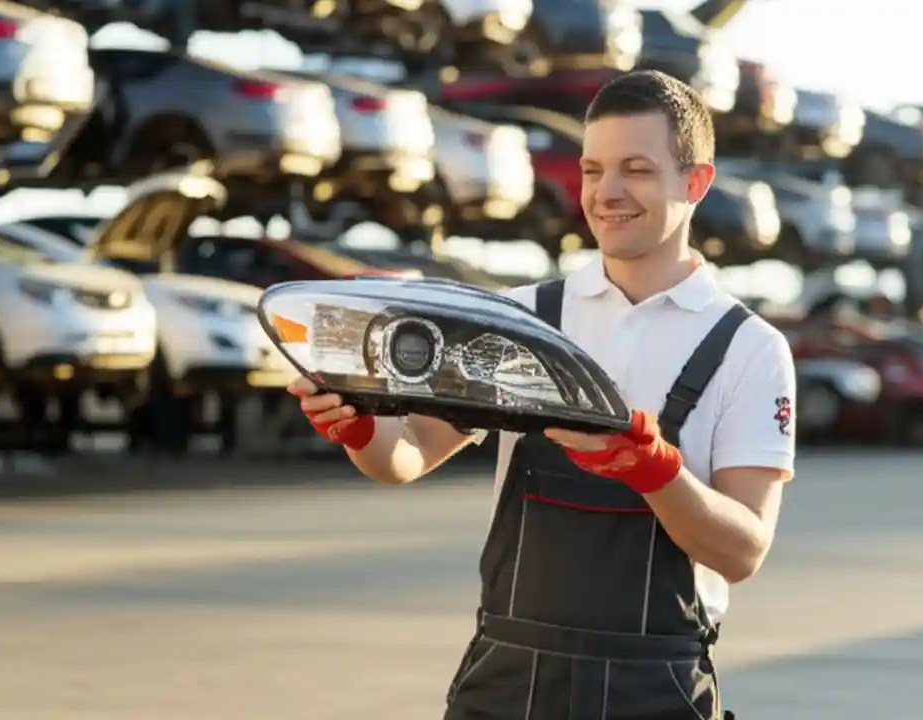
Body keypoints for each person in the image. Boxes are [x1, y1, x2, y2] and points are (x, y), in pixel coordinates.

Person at [287, 70, 797, 720]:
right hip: (506, 680)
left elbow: (743, 550)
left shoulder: (748, 348)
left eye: (636, 169)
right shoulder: (520, 319)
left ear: (695, 182)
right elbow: (407, 454)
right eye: (592, 169)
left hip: (654, 690)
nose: (607, 193)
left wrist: (655, 471)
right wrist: (360, 429)